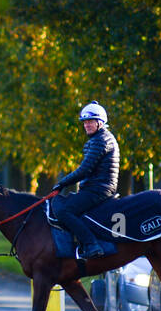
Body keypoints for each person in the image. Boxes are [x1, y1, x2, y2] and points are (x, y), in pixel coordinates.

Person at [51, 101, 119, 258]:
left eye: (90, 121)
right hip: (94, 188)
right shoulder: (96, 140)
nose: (87, 125)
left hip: (99, 189)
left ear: (100, 123)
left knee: (63, 210)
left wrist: (62, 184)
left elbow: (85, 169)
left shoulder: (102, 140)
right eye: (85, 122)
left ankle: (91, 245)